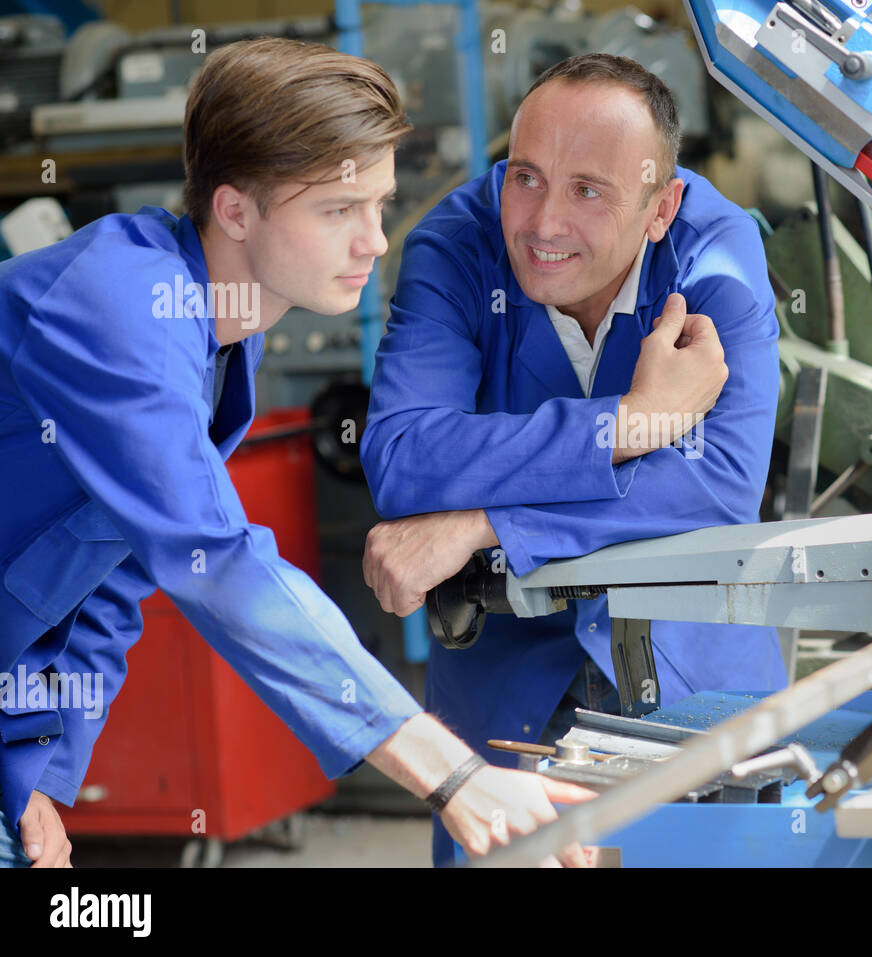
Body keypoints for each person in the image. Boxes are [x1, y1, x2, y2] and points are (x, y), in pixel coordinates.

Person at [0, 38, 593, 869]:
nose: (375, 242)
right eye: (338, 210)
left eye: (380, 206)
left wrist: (37, 770)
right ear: (237, 210)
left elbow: (110, 581)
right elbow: (222, 562)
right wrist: (450, 772)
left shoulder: (220, 337)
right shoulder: (120, 312)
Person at [360, 54, 787, 864]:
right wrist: (624, 426)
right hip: (503, 695)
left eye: (589, 189)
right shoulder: (456, 247)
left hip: (690, 673)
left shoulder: (712, 256)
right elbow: (404, 456)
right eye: (525, 176)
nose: (542, 222)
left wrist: (487, 521)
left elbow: (719, 481)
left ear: (662, 208)